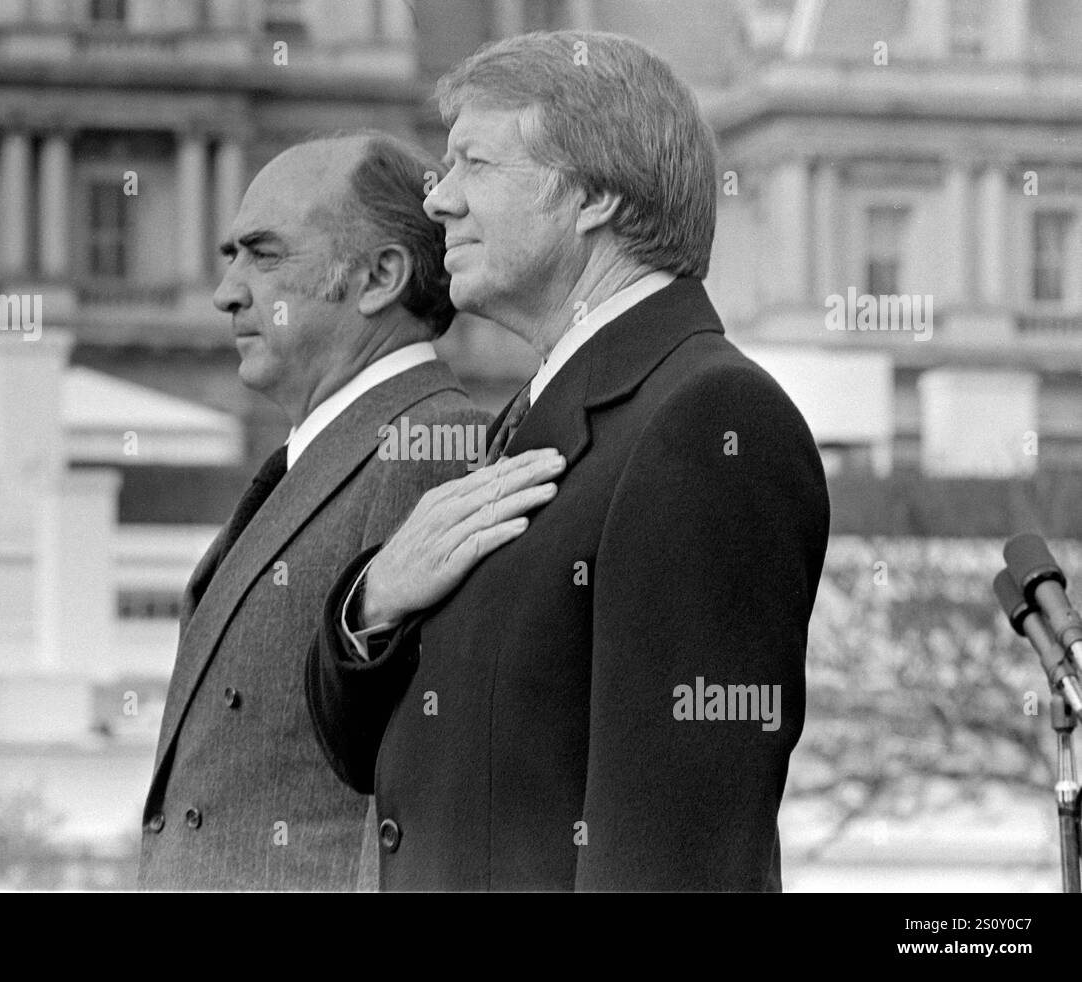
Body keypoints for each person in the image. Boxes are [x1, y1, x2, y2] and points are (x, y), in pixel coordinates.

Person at [305, 32, 831, 891]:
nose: (438, 201)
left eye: (474, 163)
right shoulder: (537, 416)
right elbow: (368, 760)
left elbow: (673, 857)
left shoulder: (708, 421)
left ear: (591, 196)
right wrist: (376, 599)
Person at [139, 131, 488, 891]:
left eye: (264, 256)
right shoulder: (328, 445)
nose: (227, 291)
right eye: (232, 255)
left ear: (379, 277)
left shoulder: (427, 444)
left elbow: (417, 790)